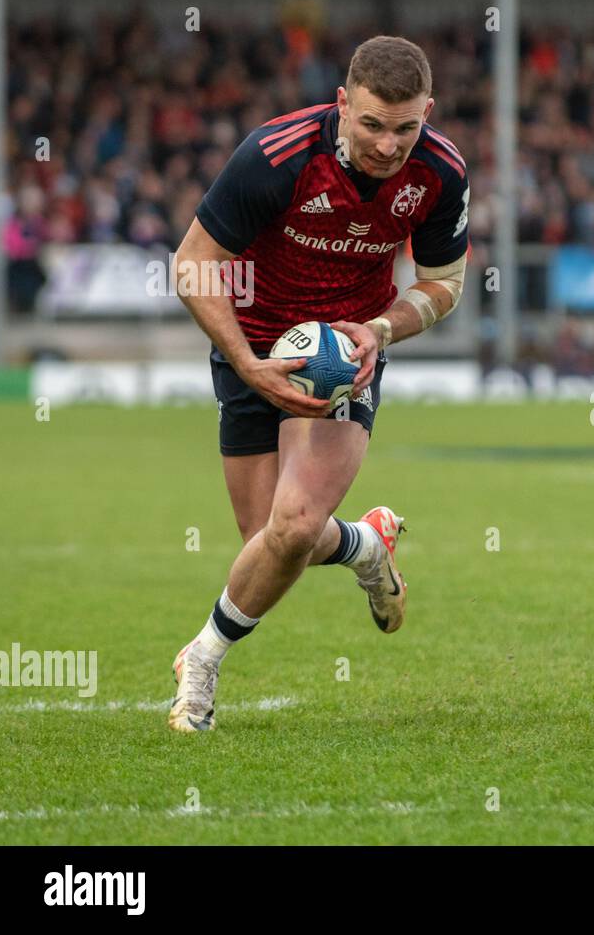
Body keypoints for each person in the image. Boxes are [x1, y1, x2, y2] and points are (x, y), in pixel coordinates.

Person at [168, 36, 470, 731]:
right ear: (342, 105)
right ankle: (367, 546)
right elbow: (191, 264)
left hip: (344, 354)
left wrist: (381, 330)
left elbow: (444, 283)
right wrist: (246, 362)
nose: (390, 145)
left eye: (406, 127)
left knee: (294, 525)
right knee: (268, 540)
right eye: (372, 124)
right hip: (251, 345)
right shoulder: (276, 157)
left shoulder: (440, 171)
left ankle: (202, 660)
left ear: (428, 111)